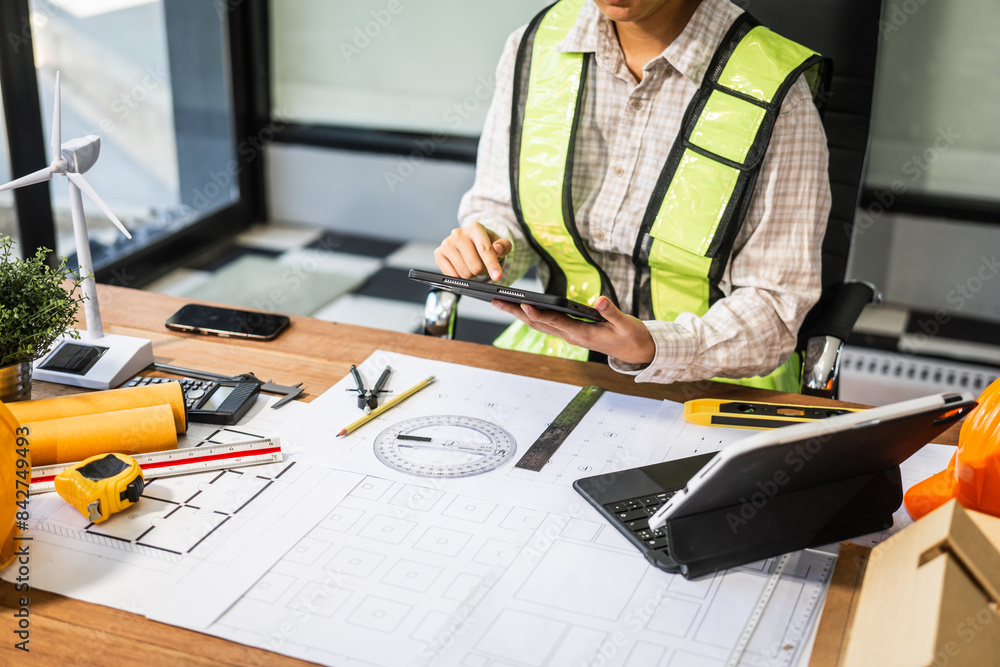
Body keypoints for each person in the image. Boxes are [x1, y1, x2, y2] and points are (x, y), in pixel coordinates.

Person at [434, 0, 831, 391]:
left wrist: (658, 345)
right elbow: (504, 208)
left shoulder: (778, 92)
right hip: (556, 353)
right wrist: (488, 248)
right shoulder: (536, 47)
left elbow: (776, 307)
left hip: (707, 377)